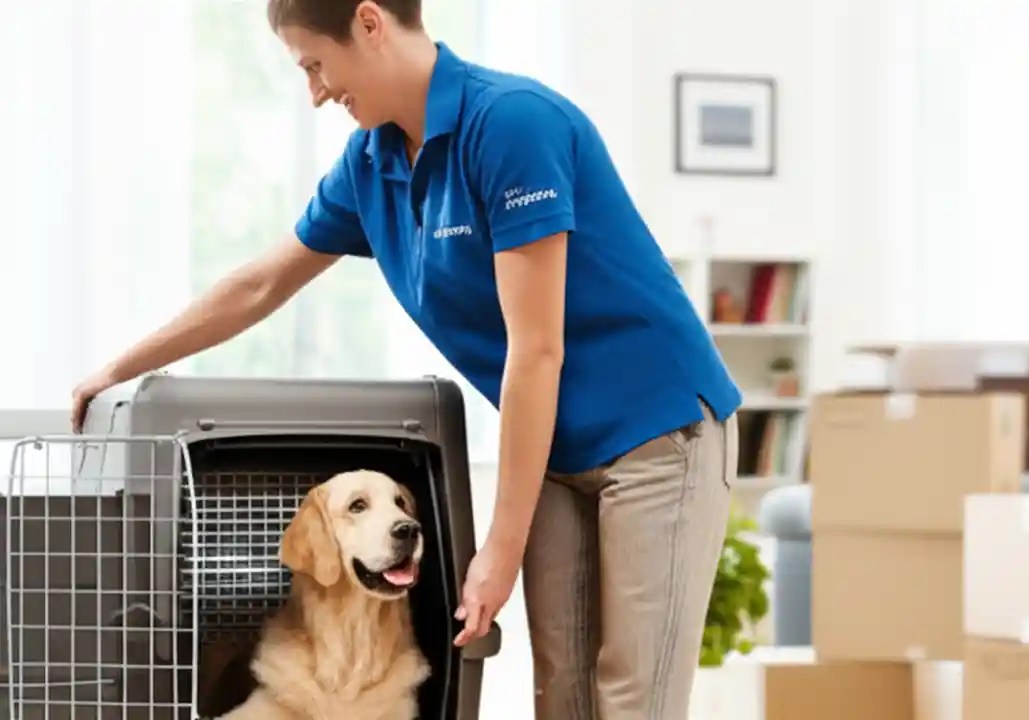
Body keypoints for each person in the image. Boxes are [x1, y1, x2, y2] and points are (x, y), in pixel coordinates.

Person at [70, 1, 742, 717]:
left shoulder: (513, 124)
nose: (316, 92)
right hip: (557, 447)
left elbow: (536, 349)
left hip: (657, 433)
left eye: (316, 65)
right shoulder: (372, 162)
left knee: (632, 697)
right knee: (563, 695)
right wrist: (119, 369)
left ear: (370, 23)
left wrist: (500, 550)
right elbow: (260, 285)